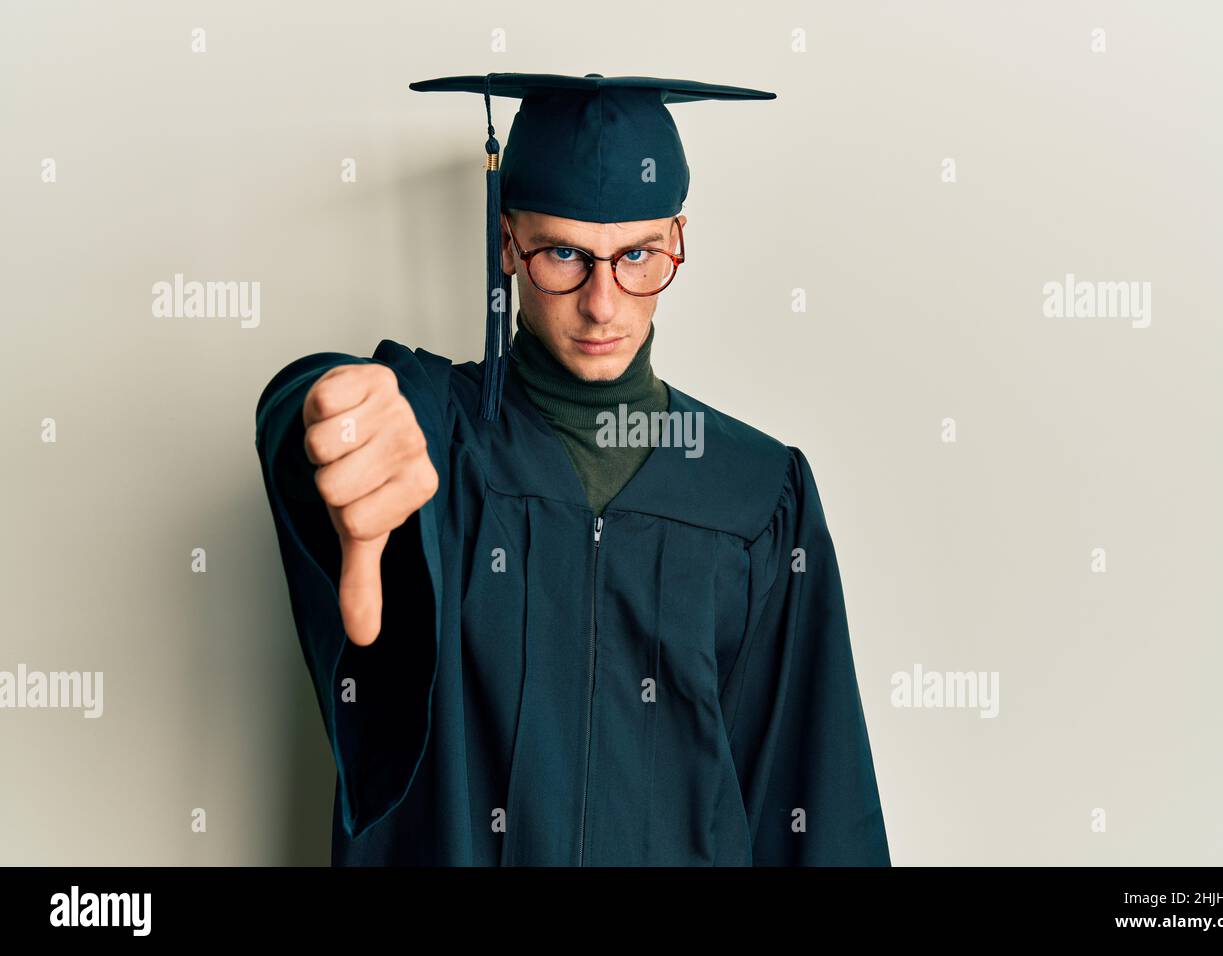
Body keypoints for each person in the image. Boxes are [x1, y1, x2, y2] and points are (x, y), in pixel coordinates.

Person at [254, 72, 890, 866]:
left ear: (678, 242)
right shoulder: (438, 442)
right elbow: (312, 412)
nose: (603, 302)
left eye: (638, 255)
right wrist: (324, 408)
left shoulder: (758, 493)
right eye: (564, 254)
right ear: (508, 245)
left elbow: (813, 791)